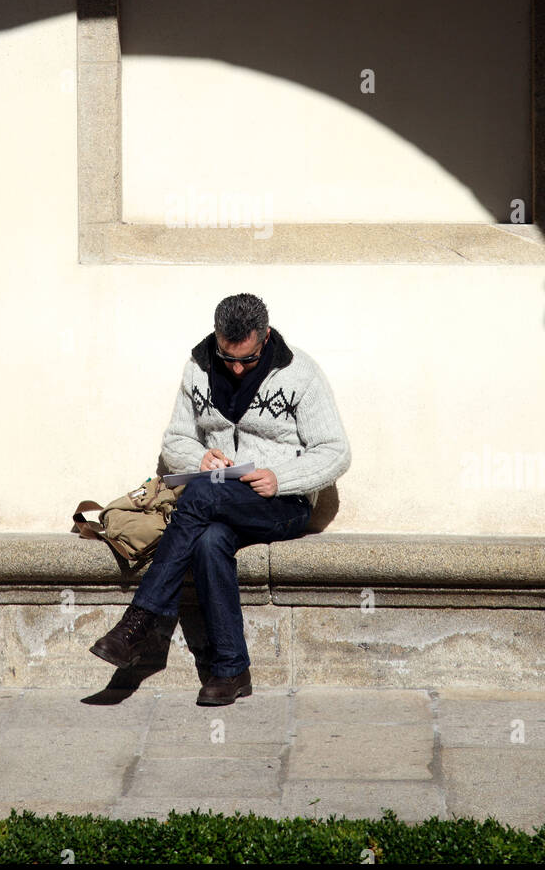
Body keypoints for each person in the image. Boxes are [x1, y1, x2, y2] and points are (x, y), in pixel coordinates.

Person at [90, 293, 351, 705]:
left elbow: (335, 451)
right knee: (209, 540)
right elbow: (176, 439)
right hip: (216, 498)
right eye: (227, 356)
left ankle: (139, 622)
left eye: (245, 359)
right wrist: (200, 456)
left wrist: (280, 477)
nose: (234, 367)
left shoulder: (301, 373)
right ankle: (231, 671)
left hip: (282, 505)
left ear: (263, 339)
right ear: (217, 337)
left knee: (197, 498)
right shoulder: (198, 366)